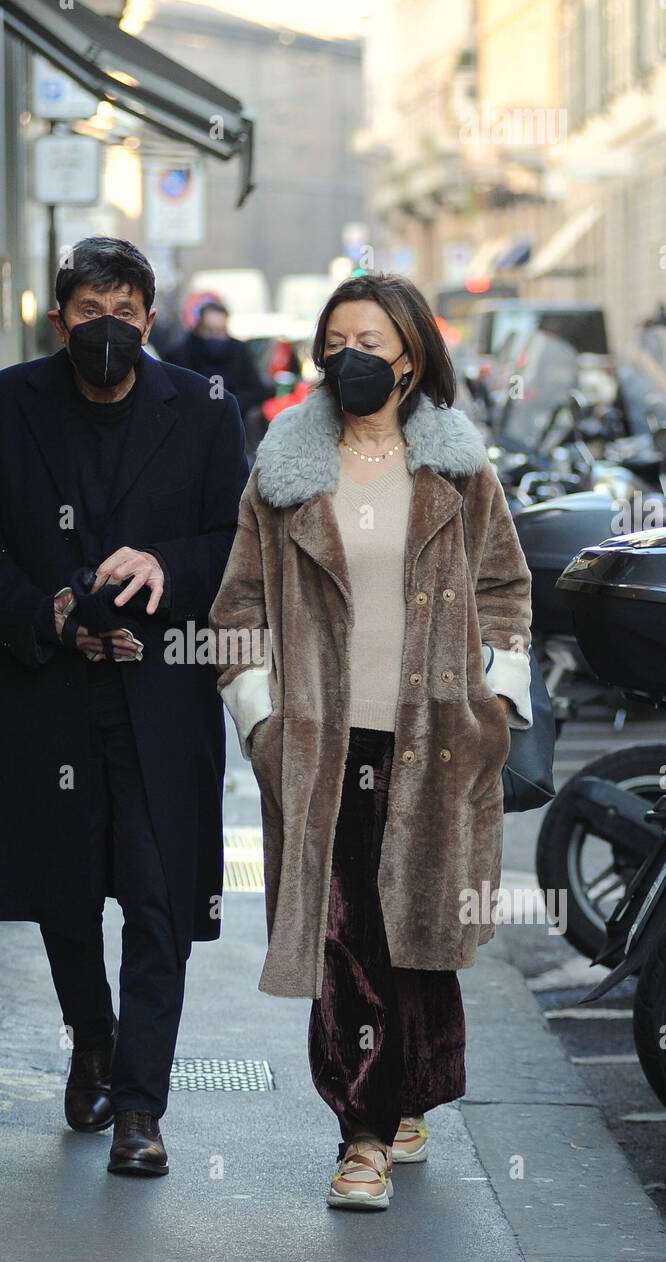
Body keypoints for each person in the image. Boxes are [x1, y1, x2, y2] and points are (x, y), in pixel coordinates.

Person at [210, 271, 532, 1210]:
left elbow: (507, 594)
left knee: (412, 936)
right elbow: (236, 609)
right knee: (345, 936)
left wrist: (495, 710)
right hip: (321, 747)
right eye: (336, 342)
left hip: (438, 743)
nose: (351, 359)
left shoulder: (461, 473)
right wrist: (264, 726)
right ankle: (361, 1135)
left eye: (371, 344)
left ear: (411, 358)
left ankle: (407, 1091)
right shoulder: (282, 474)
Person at [0, 237, 248, 1178]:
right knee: (64, 897)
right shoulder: (6, 403)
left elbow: (237, 544)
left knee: (158, 900)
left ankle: (142, 1110)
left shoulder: (202, 408)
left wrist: (167, 567)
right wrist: (50, 616)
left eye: (124, 314)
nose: (105, 330)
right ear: (58, 317)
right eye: (88, 314)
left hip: (160, 701)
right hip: (49, 695)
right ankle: (93, 1041)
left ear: (149, 320)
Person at [166, 299, 272, 423]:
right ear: (198, 329)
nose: (215, 336)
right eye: (209, 330)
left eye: (220, 331)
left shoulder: (239, 351)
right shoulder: (180, 354)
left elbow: (255, 389)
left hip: (233, 420)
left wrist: (231, 404)